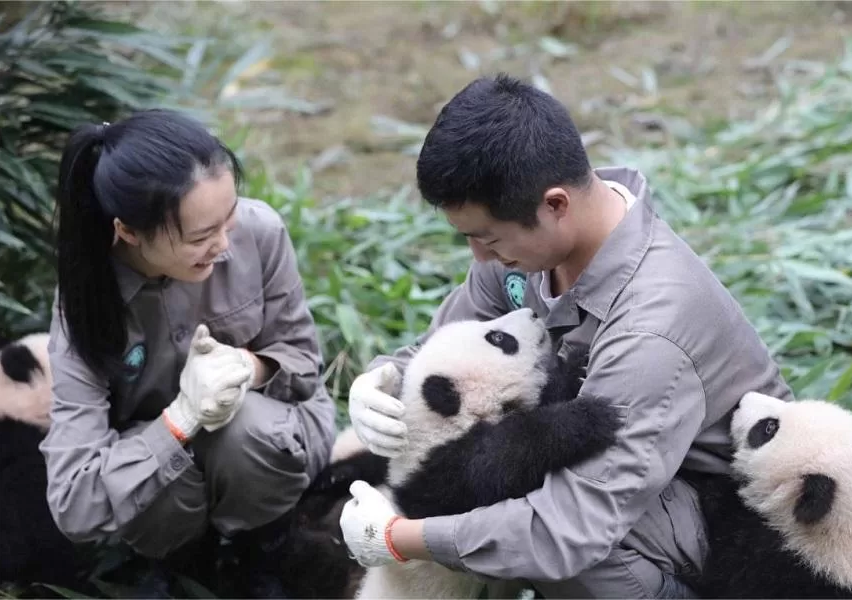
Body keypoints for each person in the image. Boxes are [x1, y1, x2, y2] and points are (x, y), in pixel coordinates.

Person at [339, 74, 794, 598]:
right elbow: (446, 352)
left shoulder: (650, 329)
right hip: (648, 485)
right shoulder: (525, 247)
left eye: (486, 238)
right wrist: (387, 377)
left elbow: (574, 526)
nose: (479, 258)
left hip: (737, 539)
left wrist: (402, 538)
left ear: (555, 204)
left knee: (530, 506)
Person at [39, 109, 337, 597]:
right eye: (201, 236)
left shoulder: (258, 232)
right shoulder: (85, 306)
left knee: (238, 426)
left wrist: (249, 366)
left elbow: (304, 365)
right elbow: (75, 501)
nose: (223, 245)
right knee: (159, 461)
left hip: (270, 438)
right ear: (129, 232)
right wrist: (179, 420)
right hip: (164, 478)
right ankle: (179, 561)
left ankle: (264, 546)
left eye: (229, 217)